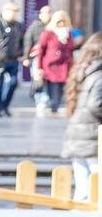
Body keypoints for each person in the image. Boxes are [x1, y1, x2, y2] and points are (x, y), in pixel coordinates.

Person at [61, 35, 102, 200]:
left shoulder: (81, 70)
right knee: (96, 182)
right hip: (92, 135)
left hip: (77, 133)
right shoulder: (99, 74)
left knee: (82, 186)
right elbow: (96, 105)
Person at [38, 11, 75, 115]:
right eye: (59, 22)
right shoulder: (48, 33)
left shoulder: (68, 34)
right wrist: (39, 67)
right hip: (51, 65)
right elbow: (41, 50)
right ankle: (53, 107)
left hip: (64, 65)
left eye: (63, 21)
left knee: (61, 88)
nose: (61, 24)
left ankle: (55, 106)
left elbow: (71, 50)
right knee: (53, 87)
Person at [0, 3, 25, 117]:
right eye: (12, 11)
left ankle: (5, 106)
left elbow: (23, 41)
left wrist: (21, 53)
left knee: (13, 83)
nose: (14, 14)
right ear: (4, 11)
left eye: (16, 12)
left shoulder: (18, 25)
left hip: (13, 59)